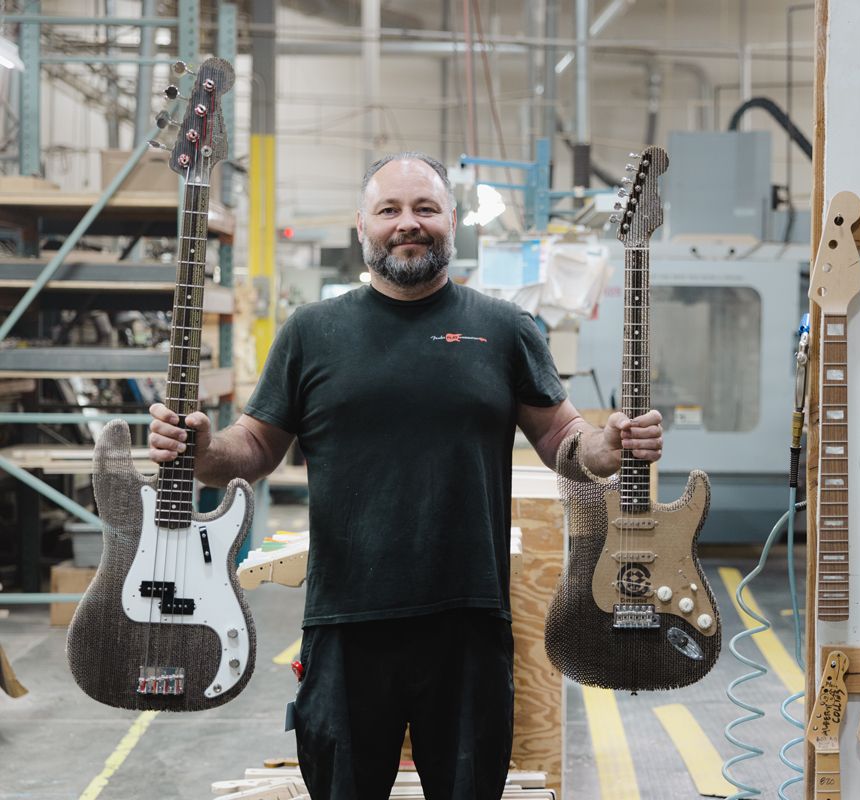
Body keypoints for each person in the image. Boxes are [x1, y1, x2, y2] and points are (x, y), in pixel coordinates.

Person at [148, 152, 663, 800]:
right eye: (389, 209)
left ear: (452, 219)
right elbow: (252, 445)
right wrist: (202, 452)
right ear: (361, 225)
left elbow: (563, 438)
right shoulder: (311, 332)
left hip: (468, 621)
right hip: (345, 623)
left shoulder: (503, 328)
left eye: (425, 208)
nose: (407, 223)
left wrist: (608, 449)